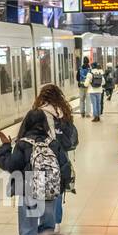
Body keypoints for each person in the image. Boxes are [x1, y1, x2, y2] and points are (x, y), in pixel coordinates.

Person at [0, 108, 71, 235]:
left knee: (28, 232)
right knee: (48, 229)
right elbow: (65, 168)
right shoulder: (53, 143)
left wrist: (5, 147)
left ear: (26, 124)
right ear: (45, 124)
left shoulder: (23, 144)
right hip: (50, 190)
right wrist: (58, 189)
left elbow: (11, 165)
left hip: (29, 190)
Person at [32, 84, 78, 225]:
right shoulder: (63, 112)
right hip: (60, 156)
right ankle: (55, 221)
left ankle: (42, 219)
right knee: (57, 188)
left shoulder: (36, 113)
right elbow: (70, 136)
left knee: (41, 187)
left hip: (41, 156)